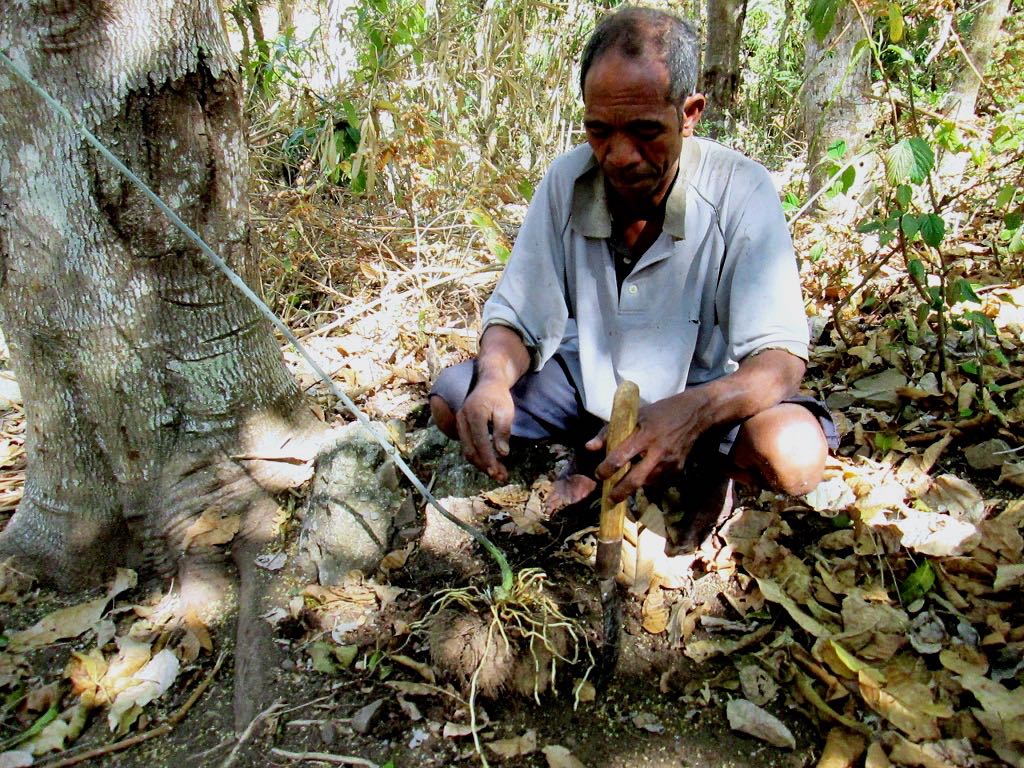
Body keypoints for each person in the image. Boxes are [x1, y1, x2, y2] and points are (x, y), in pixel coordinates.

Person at [429, 6, 837, 549]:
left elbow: (781, 362)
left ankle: (707, 473)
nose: (618, 156)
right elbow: (518, 315)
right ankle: (592, 450)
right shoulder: (567, 181)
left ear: (689, 114)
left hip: (701, 393)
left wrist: (691, 417)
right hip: (587, 382)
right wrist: (495, 380)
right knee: (455, 402)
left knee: (792, 454)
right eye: (599, 131)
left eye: (645, 132)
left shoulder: (742, 190)